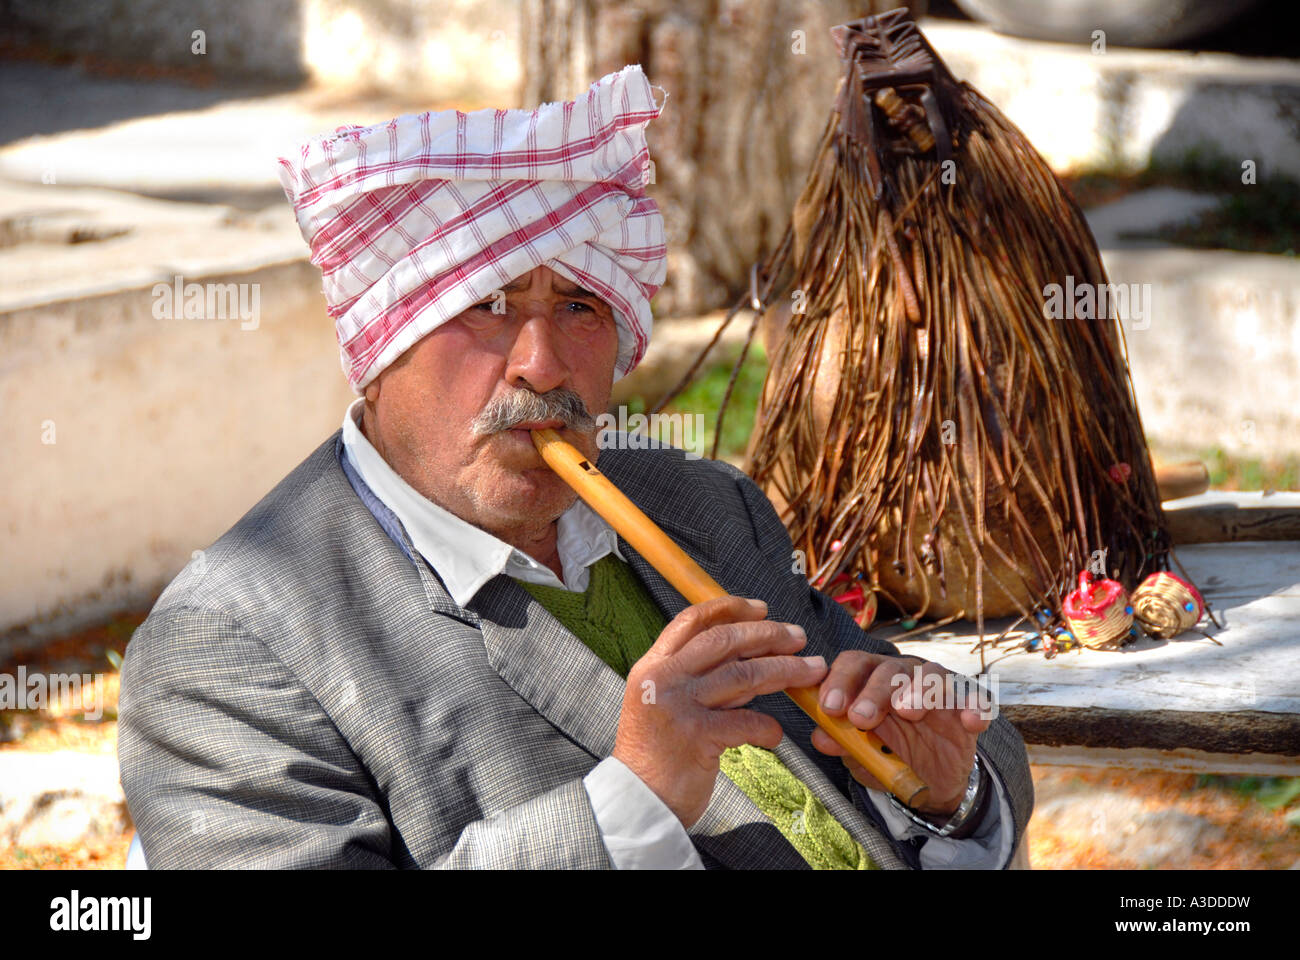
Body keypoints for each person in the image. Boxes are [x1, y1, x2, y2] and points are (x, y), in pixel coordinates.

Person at [118, 64, 1033, 869]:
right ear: (381, 340)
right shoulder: (231, 645)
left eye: (582, 307)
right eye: (484, 305)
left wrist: (946, 795)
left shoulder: (704, 506)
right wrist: (632, 802)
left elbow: (958, 756)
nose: (543, 365)